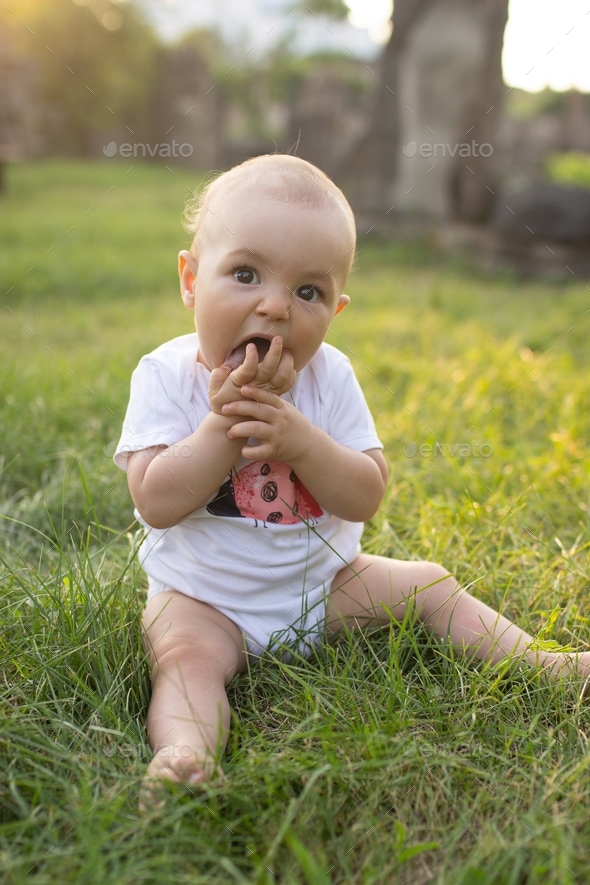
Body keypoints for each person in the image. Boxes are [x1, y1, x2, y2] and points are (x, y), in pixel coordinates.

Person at [114, 154, 590, 809]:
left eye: (307, 291)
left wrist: (302, 441)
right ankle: (184, 754)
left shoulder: (330, 378)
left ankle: (544, 663)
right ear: (191, 280)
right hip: (205, 598)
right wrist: (225, 427)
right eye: (246, 273)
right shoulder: (166, 377)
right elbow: (157, 500)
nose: (275, 306)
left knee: (429, 583)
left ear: (336, 309)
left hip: (319, 588)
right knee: (185, 661)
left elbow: (365, 492)